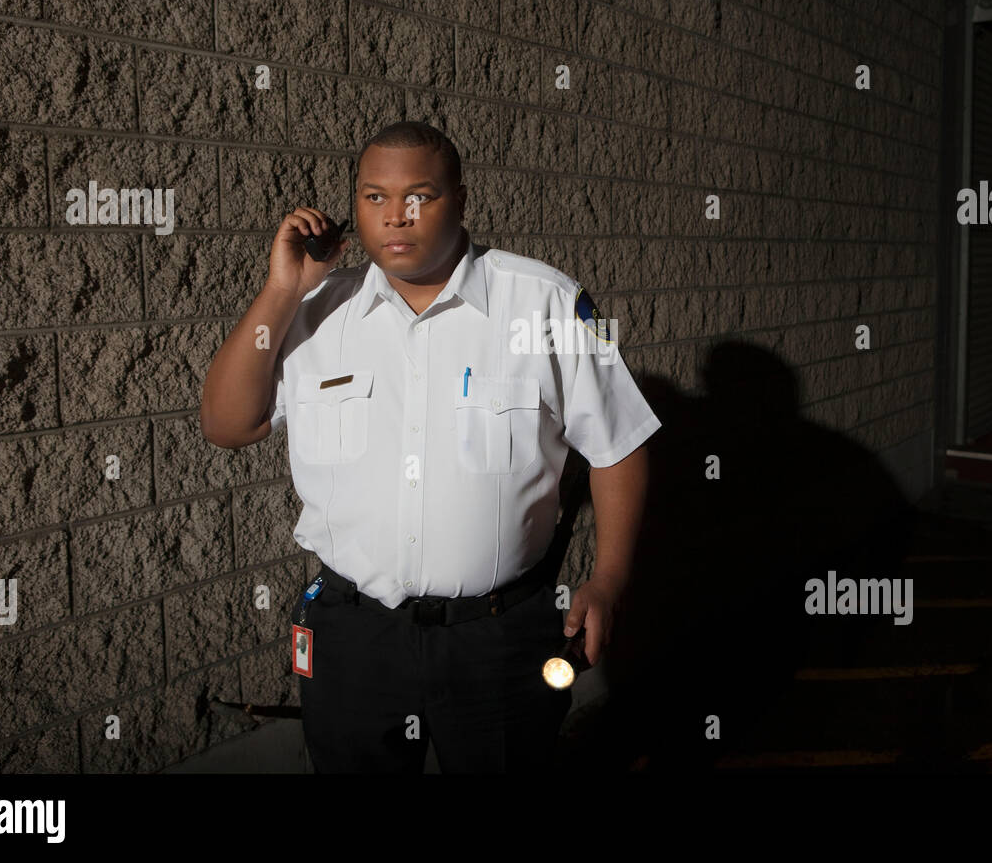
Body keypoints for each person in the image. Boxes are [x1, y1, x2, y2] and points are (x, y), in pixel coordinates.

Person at [200, 121, 661, 772]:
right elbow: (226, 424)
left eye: (420, 196)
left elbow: (619, 445)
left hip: (500, 635)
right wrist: (281, 290)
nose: (396, 216)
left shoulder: (542, 302)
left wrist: (609, 581)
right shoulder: (314, 311)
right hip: (353, 637)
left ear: (461, 200)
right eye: (373, 197)